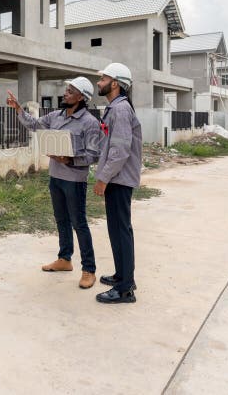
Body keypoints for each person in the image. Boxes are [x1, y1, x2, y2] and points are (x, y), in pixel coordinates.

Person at [6, 77, 101, 289]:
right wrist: (18, 108)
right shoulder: (55, 116)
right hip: (56, 177)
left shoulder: (90, 123)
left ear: (81, 97)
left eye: (70, 91)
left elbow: (94, 154)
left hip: (75, 180)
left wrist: (70, 159)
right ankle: (65, 259)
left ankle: (89, 270)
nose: (65, 93)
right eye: (66, 90)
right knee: (61, 219)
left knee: (79, 223)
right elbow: (34, 124)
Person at [92, 63, 142, 304]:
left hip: (118, 179)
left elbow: (120, 150)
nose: (99, 82)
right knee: (118, 230)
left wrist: (103, 178)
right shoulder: (115, 108)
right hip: (117, 178)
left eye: (103, 79)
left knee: (120, 231)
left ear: (115, 83)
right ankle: (123, 276)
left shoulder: (120, 110)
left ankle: (124, 289)